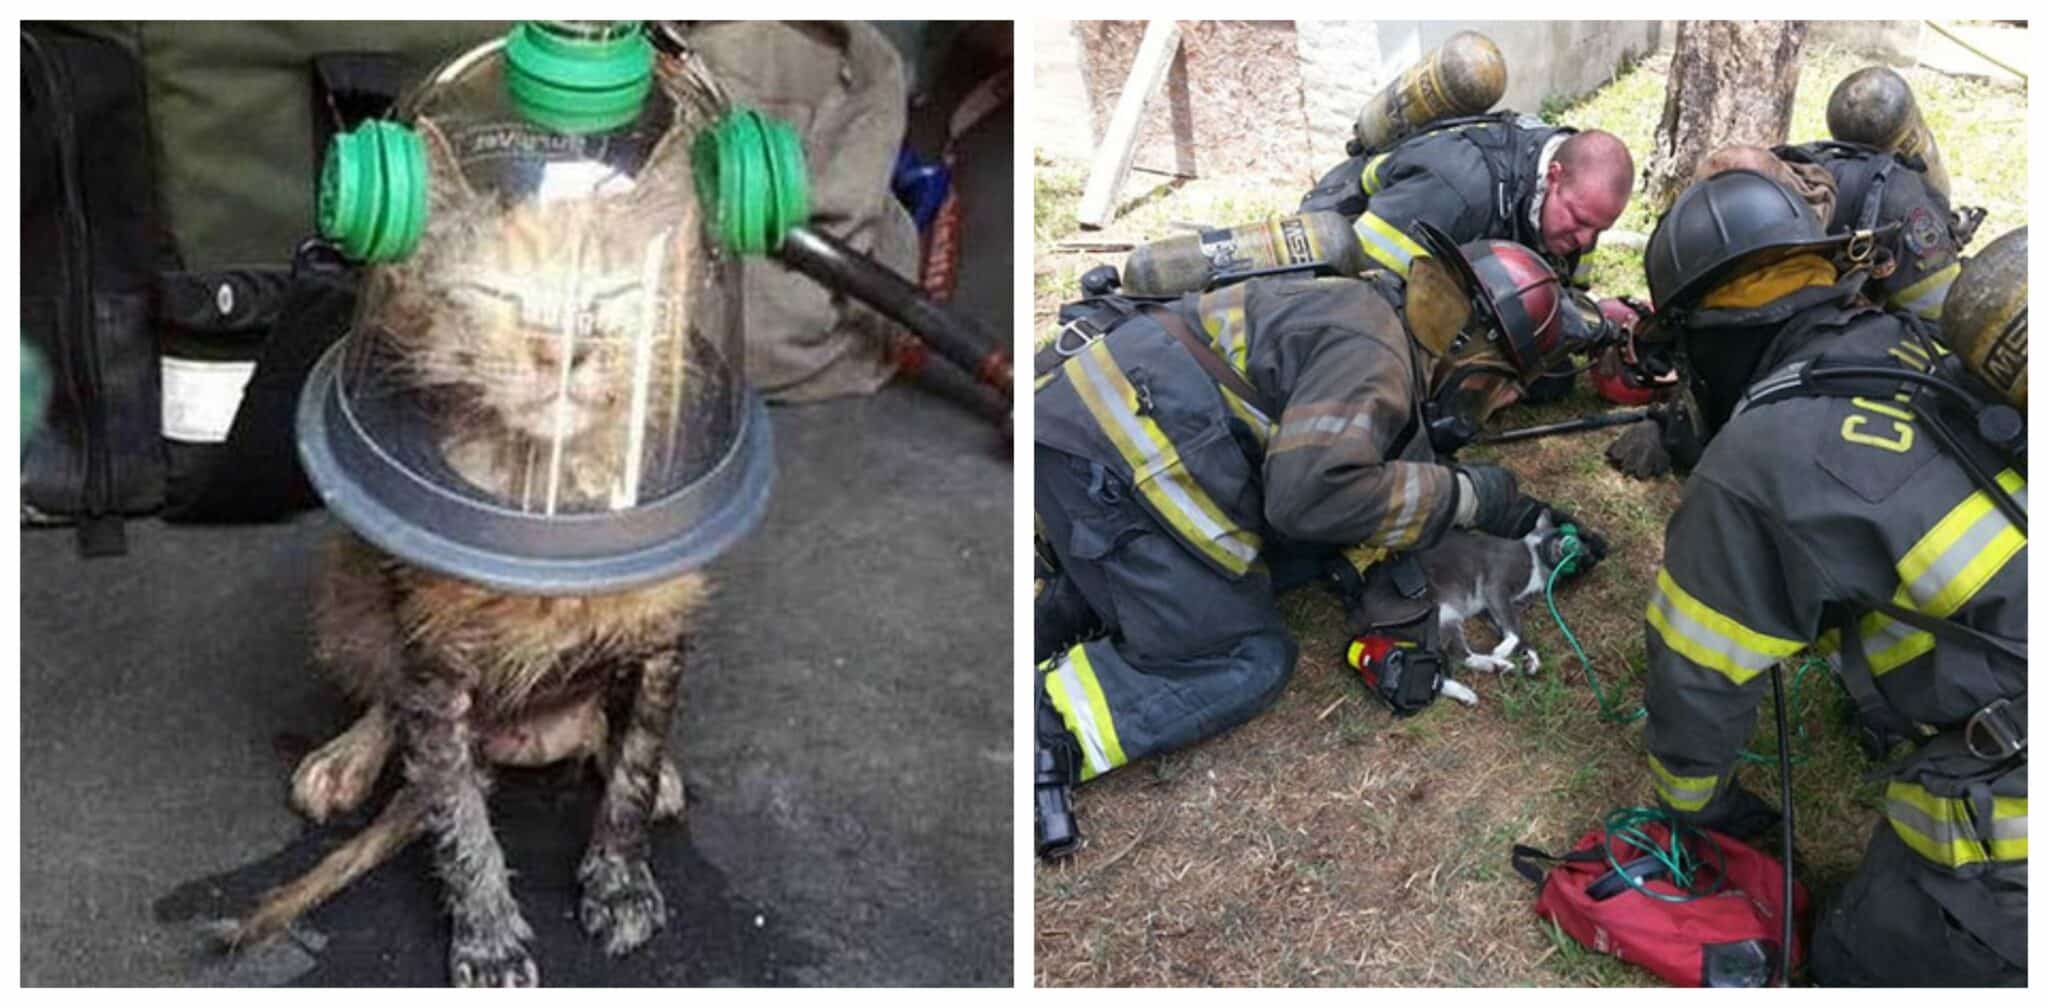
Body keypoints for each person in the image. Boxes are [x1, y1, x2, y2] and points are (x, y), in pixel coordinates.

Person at [1033, 232, 1603, 858]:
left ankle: (1074, 605)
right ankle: (1044, 722)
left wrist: (1523, 516)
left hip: (1088, 442)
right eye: (1504, 383)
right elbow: (1309, 497)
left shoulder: (1375, 314)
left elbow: (1371, 461)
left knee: (1288, 564)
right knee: (1249, 659)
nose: (1504, 401)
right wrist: (1464, 496)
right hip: (1112, 471)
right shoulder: (1375, 355)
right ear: (1470, 348)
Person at [1631, 169, 2025, 986]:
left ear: (1702, 339)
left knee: (1851, 963)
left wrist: (1695, 802)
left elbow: (1695, 669)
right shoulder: (1910, 347)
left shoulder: (1758, 459)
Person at [1607, 137, 1975, 479]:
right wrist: (1672, 424)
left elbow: (1947, 345)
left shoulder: (1894, 206)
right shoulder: (1744, 211)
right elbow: (1734, 349)